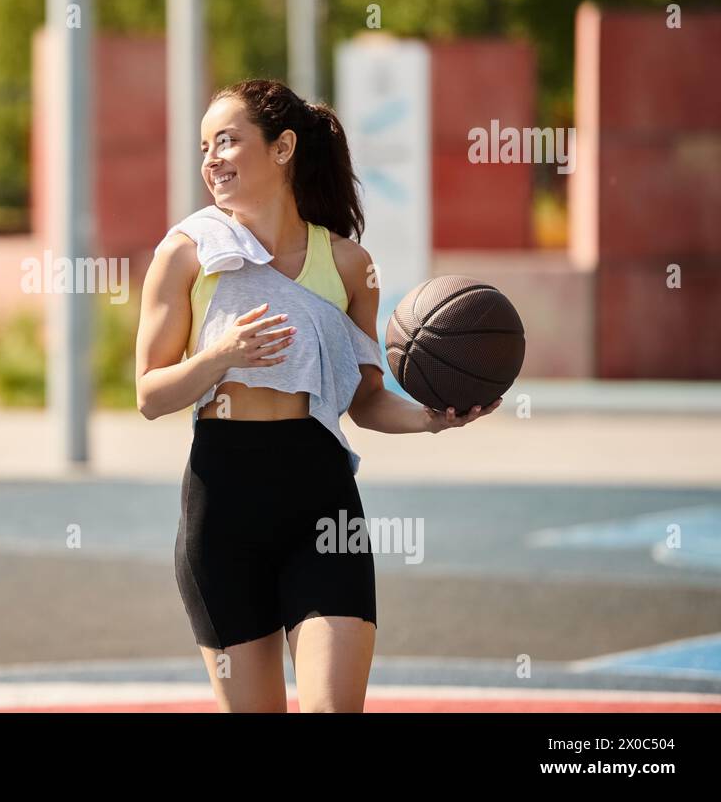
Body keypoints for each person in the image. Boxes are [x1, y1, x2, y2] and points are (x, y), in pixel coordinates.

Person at [135, 78, 500, 713]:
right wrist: (219, 357)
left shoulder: (352, 265)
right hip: (222, 509)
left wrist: (433, 421)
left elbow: (364, 401)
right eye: (203, 147)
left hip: (322, 508)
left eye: (227, 141)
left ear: (282, 148)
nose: (211, 159)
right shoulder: (186, 252)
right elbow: (149, 394)